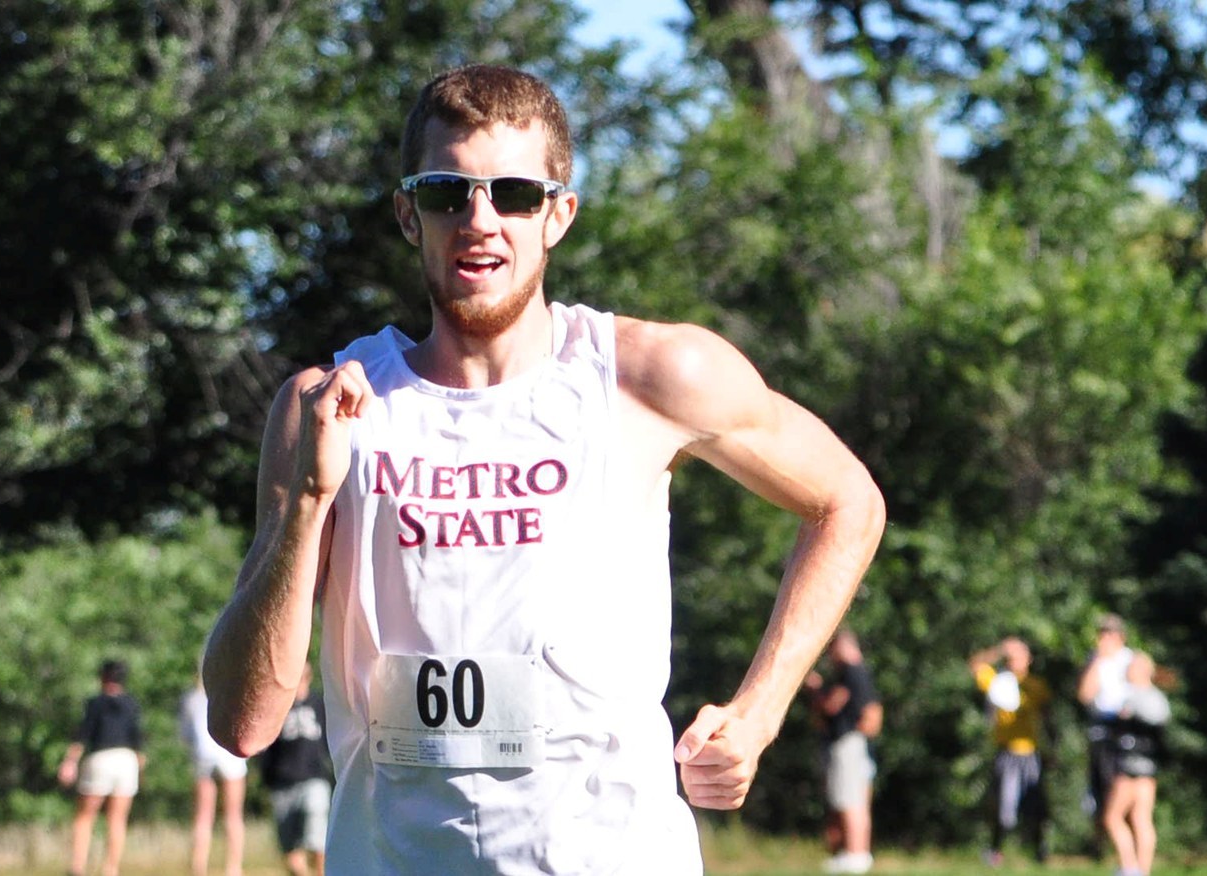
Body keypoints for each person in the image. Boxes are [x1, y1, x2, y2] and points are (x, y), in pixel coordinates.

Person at [201, 63, 886, 874]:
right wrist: (310, 502)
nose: (480, 220)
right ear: (407, 214)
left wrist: (760, 710)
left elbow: (847, 501)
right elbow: (243, 724)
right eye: (446, 193)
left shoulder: (647, 376)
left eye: (515, 194)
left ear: (558, 215)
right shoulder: (330, 406)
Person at [968, 636, 1051, 866]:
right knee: (1004, 808)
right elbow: (975, 664)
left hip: (1031, 752)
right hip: (1007, 752)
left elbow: (1047, 719)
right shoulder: (998, 681)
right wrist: (999, 649)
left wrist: (1050, 749)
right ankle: (995, 850)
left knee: (1036, 807)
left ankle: (1039, 850)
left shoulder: (1036, 686)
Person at [804, 629, 882, 874]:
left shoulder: (851, 672)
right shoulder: (860, 672)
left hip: (848, 743)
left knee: (850, 800)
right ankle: (856, 853)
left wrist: (815, 688)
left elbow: (832, 706)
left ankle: (855, 855)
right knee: (855, 799)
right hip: (856, 744)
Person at [59, 659, 145, 876]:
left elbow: (83, 735)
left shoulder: (95, 703)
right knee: (117, 819)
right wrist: (139, 770)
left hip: (101, 759)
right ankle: (111, 869)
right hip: (127, 761)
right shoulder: (132, 704)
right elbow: (138, 741)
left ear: (103, 678)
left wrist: (70, 762)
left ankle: (78, 867)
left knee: (85, 817)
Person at [257, 663, 332, 876]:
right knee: (289, 851)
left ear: (308, 678)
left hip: (314, 780)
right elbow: (265, 747)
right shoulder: (276, 706)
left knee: (317, 838)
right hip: (282, 784)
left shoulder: (319, 704)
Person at [1102, 652, 1170, 876]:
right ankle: (1142, 870)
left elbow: (1149, 726)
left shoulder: (1138, 698)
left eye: (1131, 667)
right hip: (1148, 766)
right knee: (1142, 818)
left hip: (1131, 765)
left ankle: (1130, 867)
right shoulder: (1156, 697)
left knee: (1113, 817)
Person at [180, 677, 248, 876]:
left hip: (203, 756)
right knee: (233, 815)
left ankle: (198, 866)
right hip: (231, 755)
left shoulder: (191, 698)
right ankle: (233, 868)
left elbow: (185, 735)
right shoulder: (235, 692)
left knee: (203, 816)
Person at [1079, 612, 1135, 852]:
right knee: (1101, 788)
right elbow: (1084, 695)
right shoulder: (1095, 660)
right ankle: (1100, 844)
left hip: (1126, 731)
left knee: (1125, 790)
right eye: (1102, 633)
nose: (1105, 638)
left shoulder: (1131, 660)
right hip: (1101, 730)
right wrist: (1097, 661)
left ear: (1120, 636)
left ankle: (1129, 846)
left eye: (1109, 633)